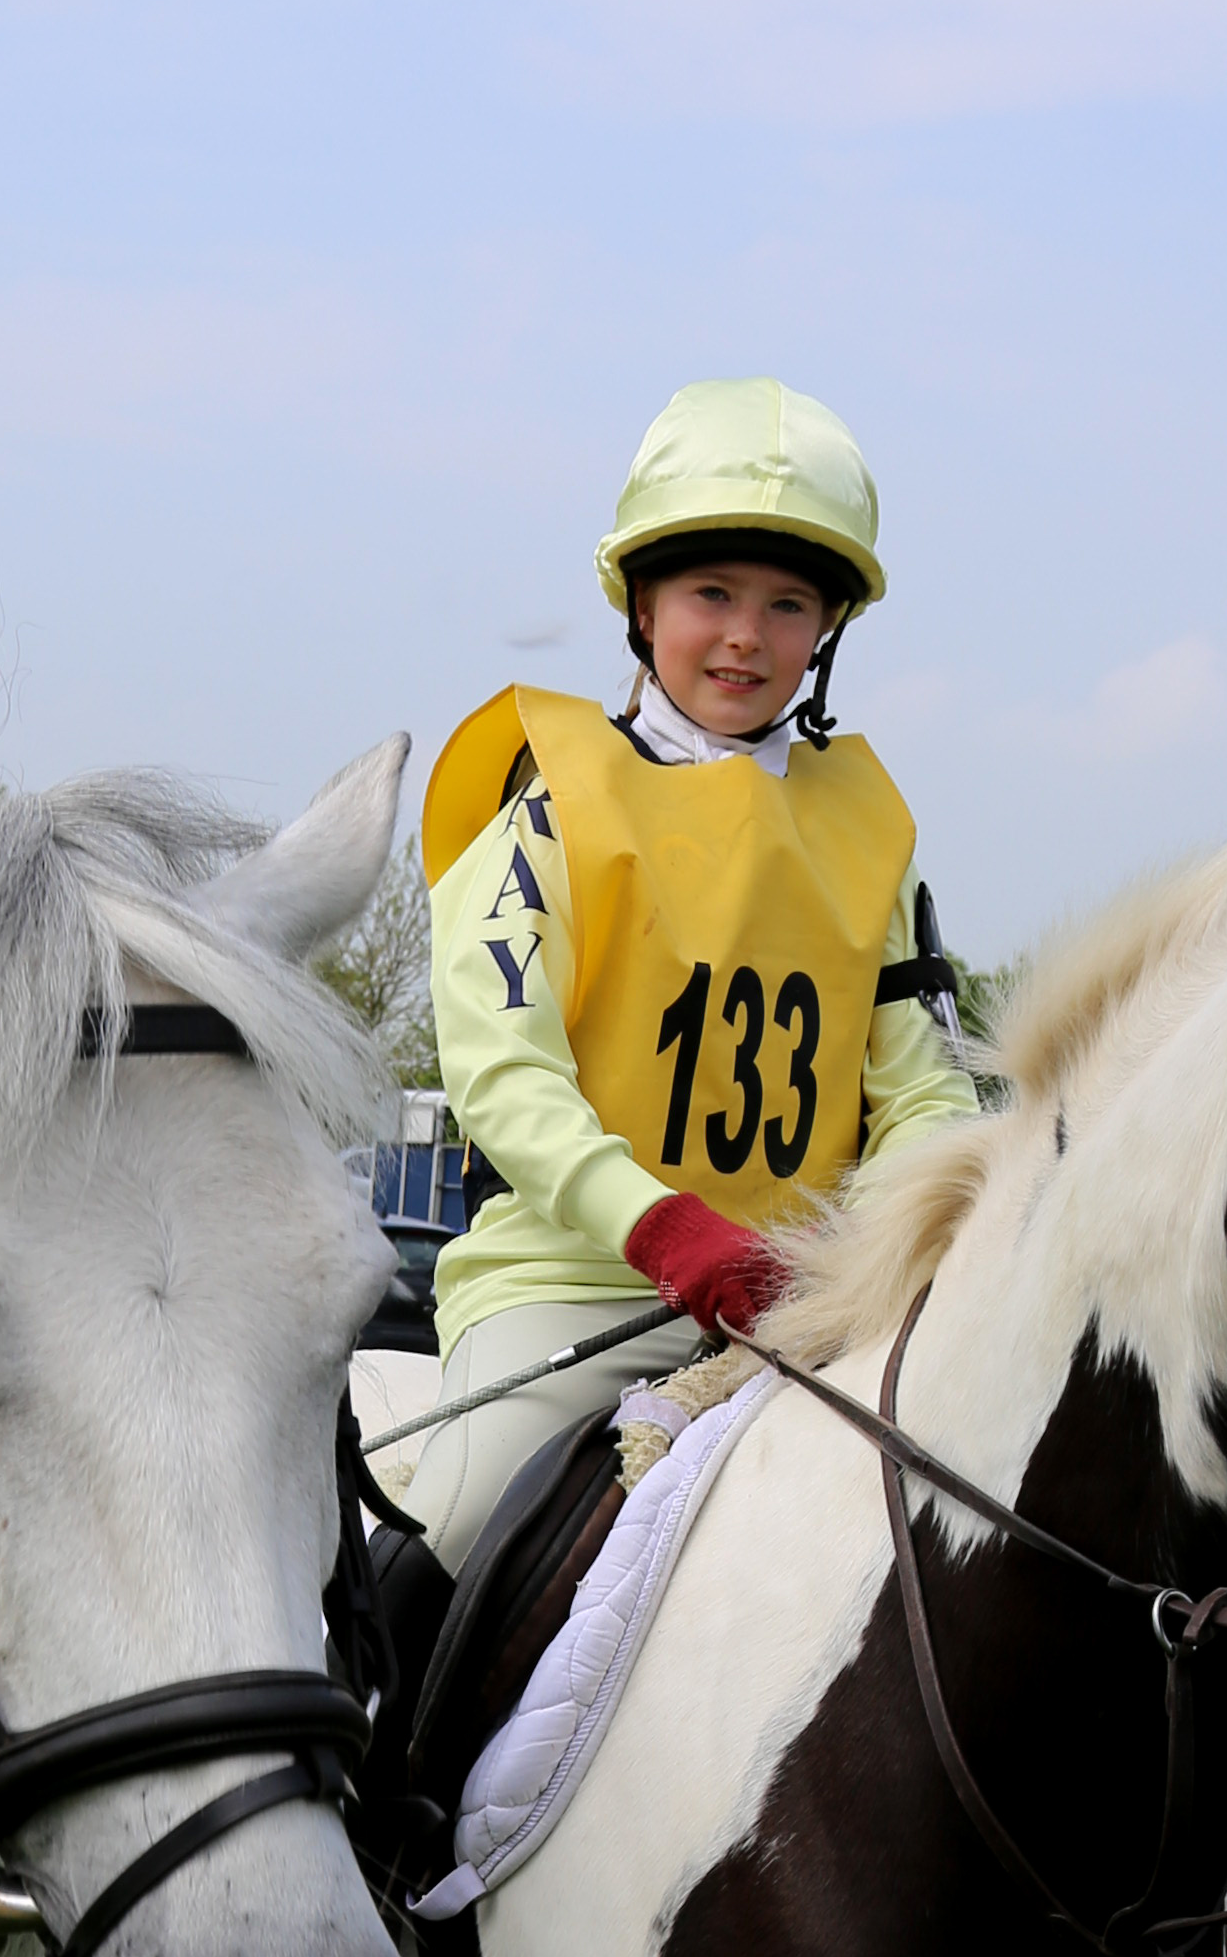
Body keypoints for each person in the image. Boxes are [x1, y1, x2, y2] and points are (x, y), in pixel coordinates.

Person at [402, 377, 979, 1565]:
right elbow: (506, 1079)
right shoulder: (548, 803)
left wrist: (888, 1250)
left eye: (785, 605)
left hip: (811, 1304)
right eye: (711, 594)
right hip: (579, 1288)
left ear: (825, 631)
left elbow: (921, 1090)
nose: (745, 637)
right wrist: (669, 1233)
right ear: (644, 604)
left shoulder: (872, 830)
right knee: (452, 1534)